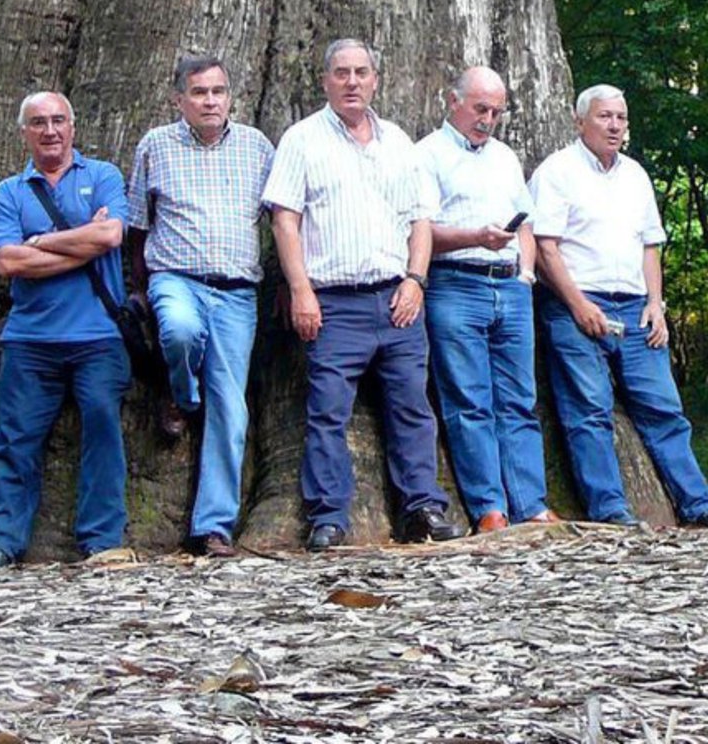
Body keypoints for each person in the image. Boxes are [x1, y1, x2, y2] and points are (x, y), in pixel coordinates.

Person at [263, 38, 463, 551]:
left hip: (397, 300)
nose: (352, 82)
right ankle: (329, 516)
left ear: (376, 80)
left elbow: (421, 219)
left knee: (412, 407)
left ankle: (423, 508)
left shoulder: (398, 141)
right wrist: (300, 288)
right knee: (328, 410)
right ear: (326, 81)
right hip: (334, 302)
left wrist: (416, 280)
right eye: (341, 73)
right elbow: (285, 219)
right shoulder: (302, 140)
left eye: (361, 73)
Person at [530, 84, 708, 526]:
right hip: (575, 304)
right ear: (580, 121)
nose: (614, 126)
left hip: (635, 308)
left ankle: (697, 504)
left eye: (620, 118)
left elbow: (650, 245)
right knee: (588, 412)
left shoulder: (635, 176)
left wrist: (657, 303)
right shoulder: (558, 171)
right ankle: (611, 512)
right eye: (604, 116)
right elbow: (545, 246)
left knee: (664, 409)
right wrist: (577, 305)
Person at [0, 91, 132, 569]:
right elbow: (7, 261)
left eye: (58, 121)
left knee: (103, 427)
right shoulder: (10, 192)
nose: (50, 130)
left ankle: (102, 539)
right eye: (39, 122)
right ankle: (1, 539)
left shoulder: (102, 176)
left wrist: (39, 242)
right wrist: (80, 242)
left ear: (72, 127)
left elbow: (110, 236)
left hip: (99, 335)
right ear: (24, 132)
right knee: (15, 437)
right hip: (30, 339)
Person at [128, 55, 274, 558]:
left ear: (230, 96)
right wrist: (140, 288)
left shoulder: (257, 147)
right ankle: (182, 394)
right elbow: (137, 227)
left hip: (236, 292)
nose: (210, 100)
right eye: (198, 92)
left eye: (218, 91)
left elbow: (276, 217)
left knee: (232, 411)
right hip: (176, 279)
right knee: (180, 333)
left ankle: (213, 526)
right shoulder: (156, 146)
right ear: (179, 100)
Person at [415, 66, 557, 532]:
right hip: (455, 282)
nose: (488, 118)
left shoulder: (504, 157)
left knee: (519, 399)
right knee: (469, 400)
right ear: (452, 101)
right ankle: (489, 508)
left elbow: (528, 222)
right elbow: (420, 230)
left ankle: (531, 505)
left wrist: (527, 272)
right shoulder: (427, 155)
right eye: (480, 108)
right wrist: (475, 236)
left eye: (496, 110)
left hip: (511, 286)